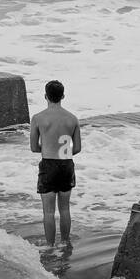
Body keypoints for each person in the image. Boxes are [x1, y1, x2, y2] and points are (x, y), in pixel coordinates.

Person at [29, 80, 81, 247]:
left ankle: (50, 246)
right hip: (66, 165)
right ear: (63, 96)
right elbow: (78, 148)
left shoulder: (38, 118)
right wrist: (62, 153)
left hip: (48, 165)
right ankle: (65, 243)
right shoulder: (72, 119)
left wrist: (48, 149)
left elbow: (33, 148)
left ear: (45, 96)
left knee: (49, 212)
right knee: (65, 209)